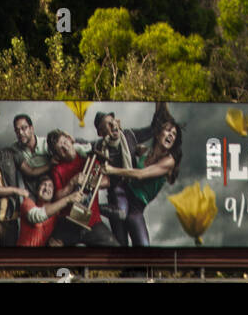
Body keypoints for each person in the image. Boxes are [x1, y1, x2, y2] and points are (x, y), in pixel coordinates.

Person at [104, 104, 182, 247]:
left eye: (174, 134)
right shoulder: (145, 151)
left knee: (143, 246)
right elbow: (128, 150)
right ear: (158, 134)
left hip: (137, 207)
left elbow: (140, 174)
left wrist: (111, 170)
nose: (171, 135)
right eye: (168, 131)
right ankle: (97, 208)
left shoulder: (169, 161)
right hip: (123, 194)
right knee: (121, 243)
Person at [46, 130, 119, 248]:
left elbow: (107, 181)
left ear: (69, 139)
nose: (65, 148)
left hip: (93, 222)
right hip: (69, 224)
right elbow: (56, 198)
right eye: (60, 149)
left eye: (65, 142)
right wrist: (72, 183)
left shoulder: (89, 159)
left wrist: (90, 182)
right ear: (57, 154)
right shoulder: (57, 170)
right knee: (51, 248)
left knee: (115, 251)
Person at [93, 111, 153, 246]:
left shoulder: (129, 136)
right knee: (121, 246)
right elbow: (81, 145)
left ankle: (145, 266)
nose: (113, 126)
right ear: (100, 133)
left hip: (133, 198)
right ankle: (95, 208)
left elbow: (151, 130)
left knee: (143, 244)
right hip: (116, 199)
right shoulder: (99, 146)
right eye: (107, 125)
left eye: (112, 122)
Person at [18, 174, 77, 248]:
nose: (46, 188)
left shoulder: (56, 214)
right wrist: (68, 199)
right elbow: (38, 216)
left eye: (50, 186)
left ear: (53, 193)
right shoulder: (27, 203)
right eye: (43, 185)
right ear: (37, 191)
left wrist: (61, 242)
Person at [10, 113, 53, 198]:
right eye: (17, 130)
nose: (21, 133)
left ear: (31, 128)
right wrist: (49, 165)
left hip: (51, 183)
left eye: (24, 128)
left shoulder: (47, 143)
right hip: (32, 189)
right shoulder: (15, 149)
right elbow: (29, 172)